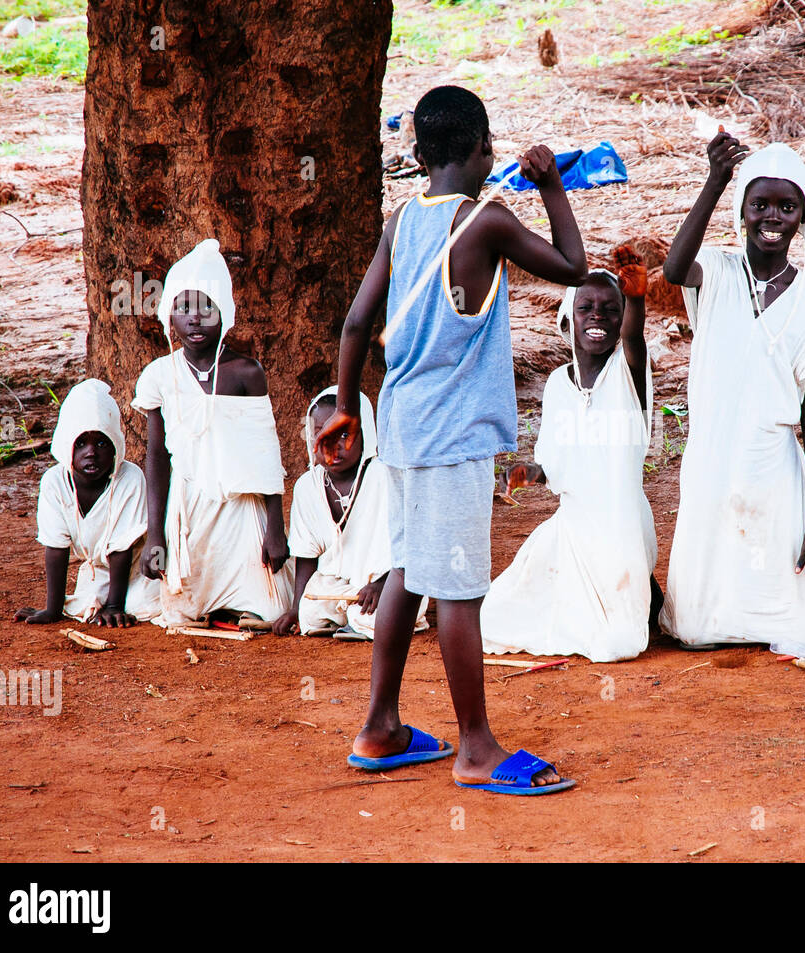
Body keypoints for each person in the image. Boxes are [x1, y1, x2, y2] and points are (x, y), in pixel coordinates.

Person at [316, 85, 586, 794]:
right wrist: (553, 185)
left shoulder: (401, 219)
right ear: (480, 149)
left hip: (402, 427)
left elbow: (354, 324)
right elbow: (573, 266)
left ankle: (381, 726)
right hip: (453, 435)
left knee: (408, 571)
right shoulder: (486, 223)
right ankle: (476, 747)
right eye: (491, 146)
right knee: (460, 591)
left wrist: (347, 408)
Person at [659, 136, 805, 658]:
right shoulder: (716, 273)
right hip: (710, 458)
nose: (773, 216)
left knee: (802, 627)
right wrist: (715, 180)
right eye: (759, 204)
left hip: (772, 468)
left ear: (803, 218)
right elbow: (673, 270)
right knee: (696, 629)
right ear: (742, 212)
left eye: (787, 206)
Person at [481, 251, 658, 662]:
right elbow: (552, 465)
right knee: (494, 616)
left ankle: (640, 592)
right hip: (572, 527)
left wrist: (636, 300)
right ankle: (641, 595)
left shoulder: (629, 371)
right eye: (587, 308)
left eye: (611, 310)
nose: (598, 317)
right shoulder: (559, 384)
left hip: (622, 526)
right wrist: (528, 472)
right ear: (568, 318)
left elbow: (634, 338)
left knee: (616, 643)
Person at [131, 238, 292, 628]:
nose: (195, 318)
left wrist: (275, 528)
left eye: (207, 307)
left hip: (241, 505)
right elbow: (156, 459)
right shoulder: (158, 377)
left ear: (225, 312)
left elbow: (265, 454)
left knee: (270, 610)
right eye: (184, 308)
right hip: (189, 509)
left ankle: (238, 598)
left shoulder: (246, 373)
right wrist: (157, 535)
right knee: (171, 609)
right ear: (169, 315)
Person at [273, 387, 428, 639]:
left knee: (377, 615)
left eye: (344, 433)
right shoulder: (307, 486)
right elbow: (306, 556)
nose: (333, 445)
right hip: (340, 586)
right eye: (321, 434)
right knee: (311, 612)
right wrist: (295, 608)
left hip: (392, 580)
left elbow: (414, 543)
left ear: (365, 432)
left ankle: (362, 618)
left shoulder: (386, 477)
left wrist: (382, 583)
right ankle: (349, 621)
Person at [15, 379, 161, 627]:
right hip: (101, 572)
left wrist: (115, 606)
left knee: (144, 605)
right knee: (87, 604)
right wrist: (53, 609)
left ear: (116, 447)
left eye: (102, 443)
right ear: (66, 445)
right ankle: (107, 600)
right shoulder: (54, 482)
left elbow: (121, 549)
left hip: (140, 568)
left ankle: (117, 600)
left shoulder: (130, 477)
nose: (91, 452)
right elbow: (56, 546)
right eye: (80, 443)